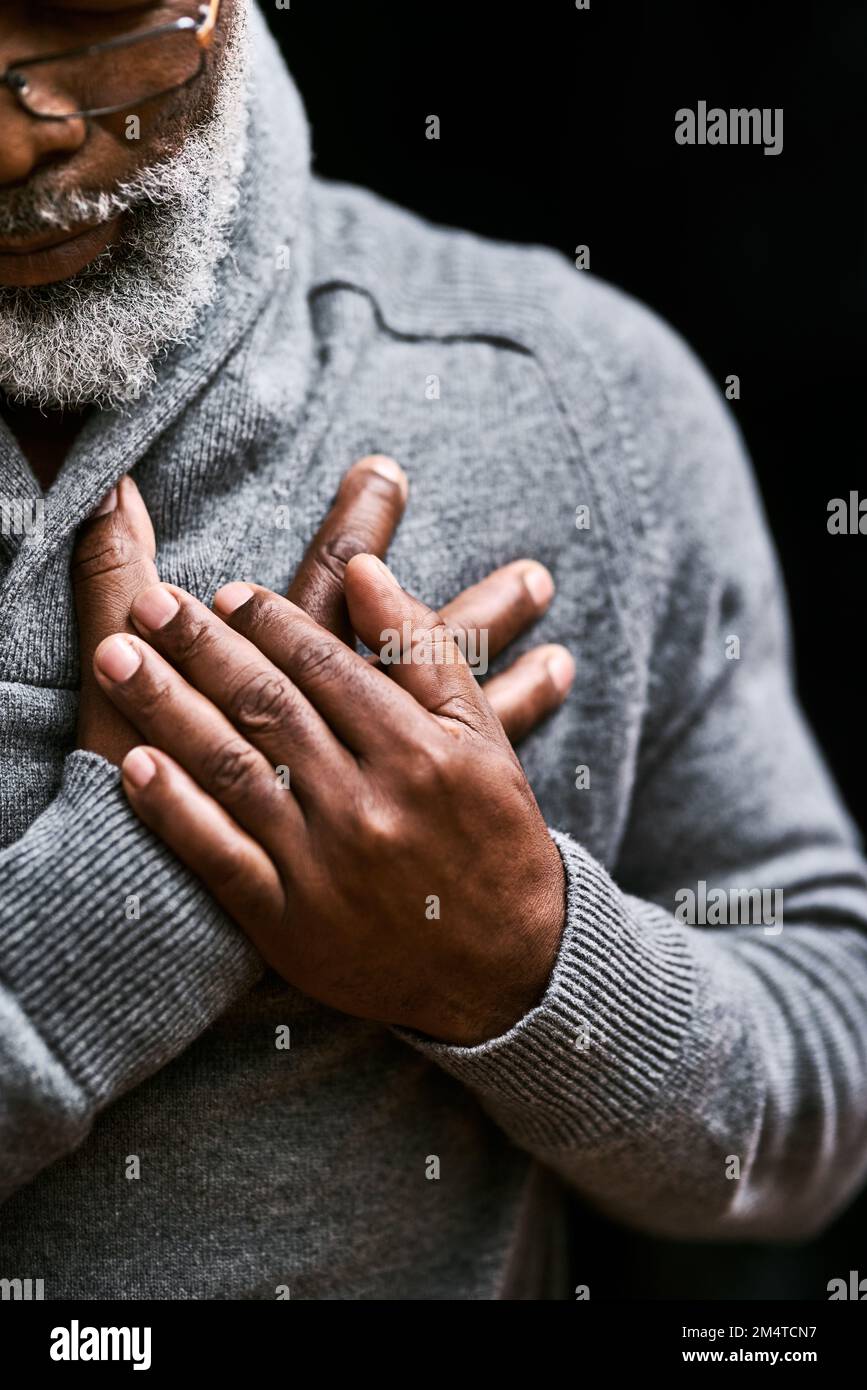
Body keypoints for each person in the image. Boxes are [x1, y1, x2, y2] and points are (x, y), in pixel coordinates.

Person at [1, 0, 865, 1301]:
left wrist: (529, 953)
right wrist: (110, 919)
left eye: (84, 14)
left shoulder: (577, 401)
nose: (15, 140)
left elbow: (832, 1080)